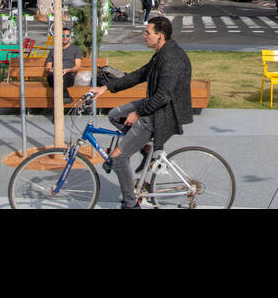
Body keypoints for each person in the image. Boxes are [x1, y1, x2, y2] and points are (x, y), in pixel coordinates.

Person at [90, 16, 193, 209]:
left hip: (163, 114)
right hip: (154, 106)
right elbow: (139, 75)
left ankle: (130, 203)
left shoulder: (171, 59)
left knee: (119, 158)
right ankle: (145, 148)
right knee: (115, 115)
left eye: (147, 32)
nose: (143, 35)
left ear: (160, 36)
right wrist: (106, 87)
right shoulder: (161, 53)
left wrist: (137, 114)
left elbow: (163, 97)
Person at [44, 27, 80, 92]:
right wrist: (50, 70)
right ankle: (66, 97)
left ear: (70, 37)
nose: (65, 37)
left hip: (68, 75)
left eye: (67, 35)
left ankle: (64, 98)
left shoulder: (75, 49)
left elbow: (77, 66)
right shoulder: (53, 50)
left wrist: (67, 70)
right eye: (62, 35)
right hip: (54, 75)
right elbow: (47, 67)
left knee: (63, 79)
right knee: (55, 77)